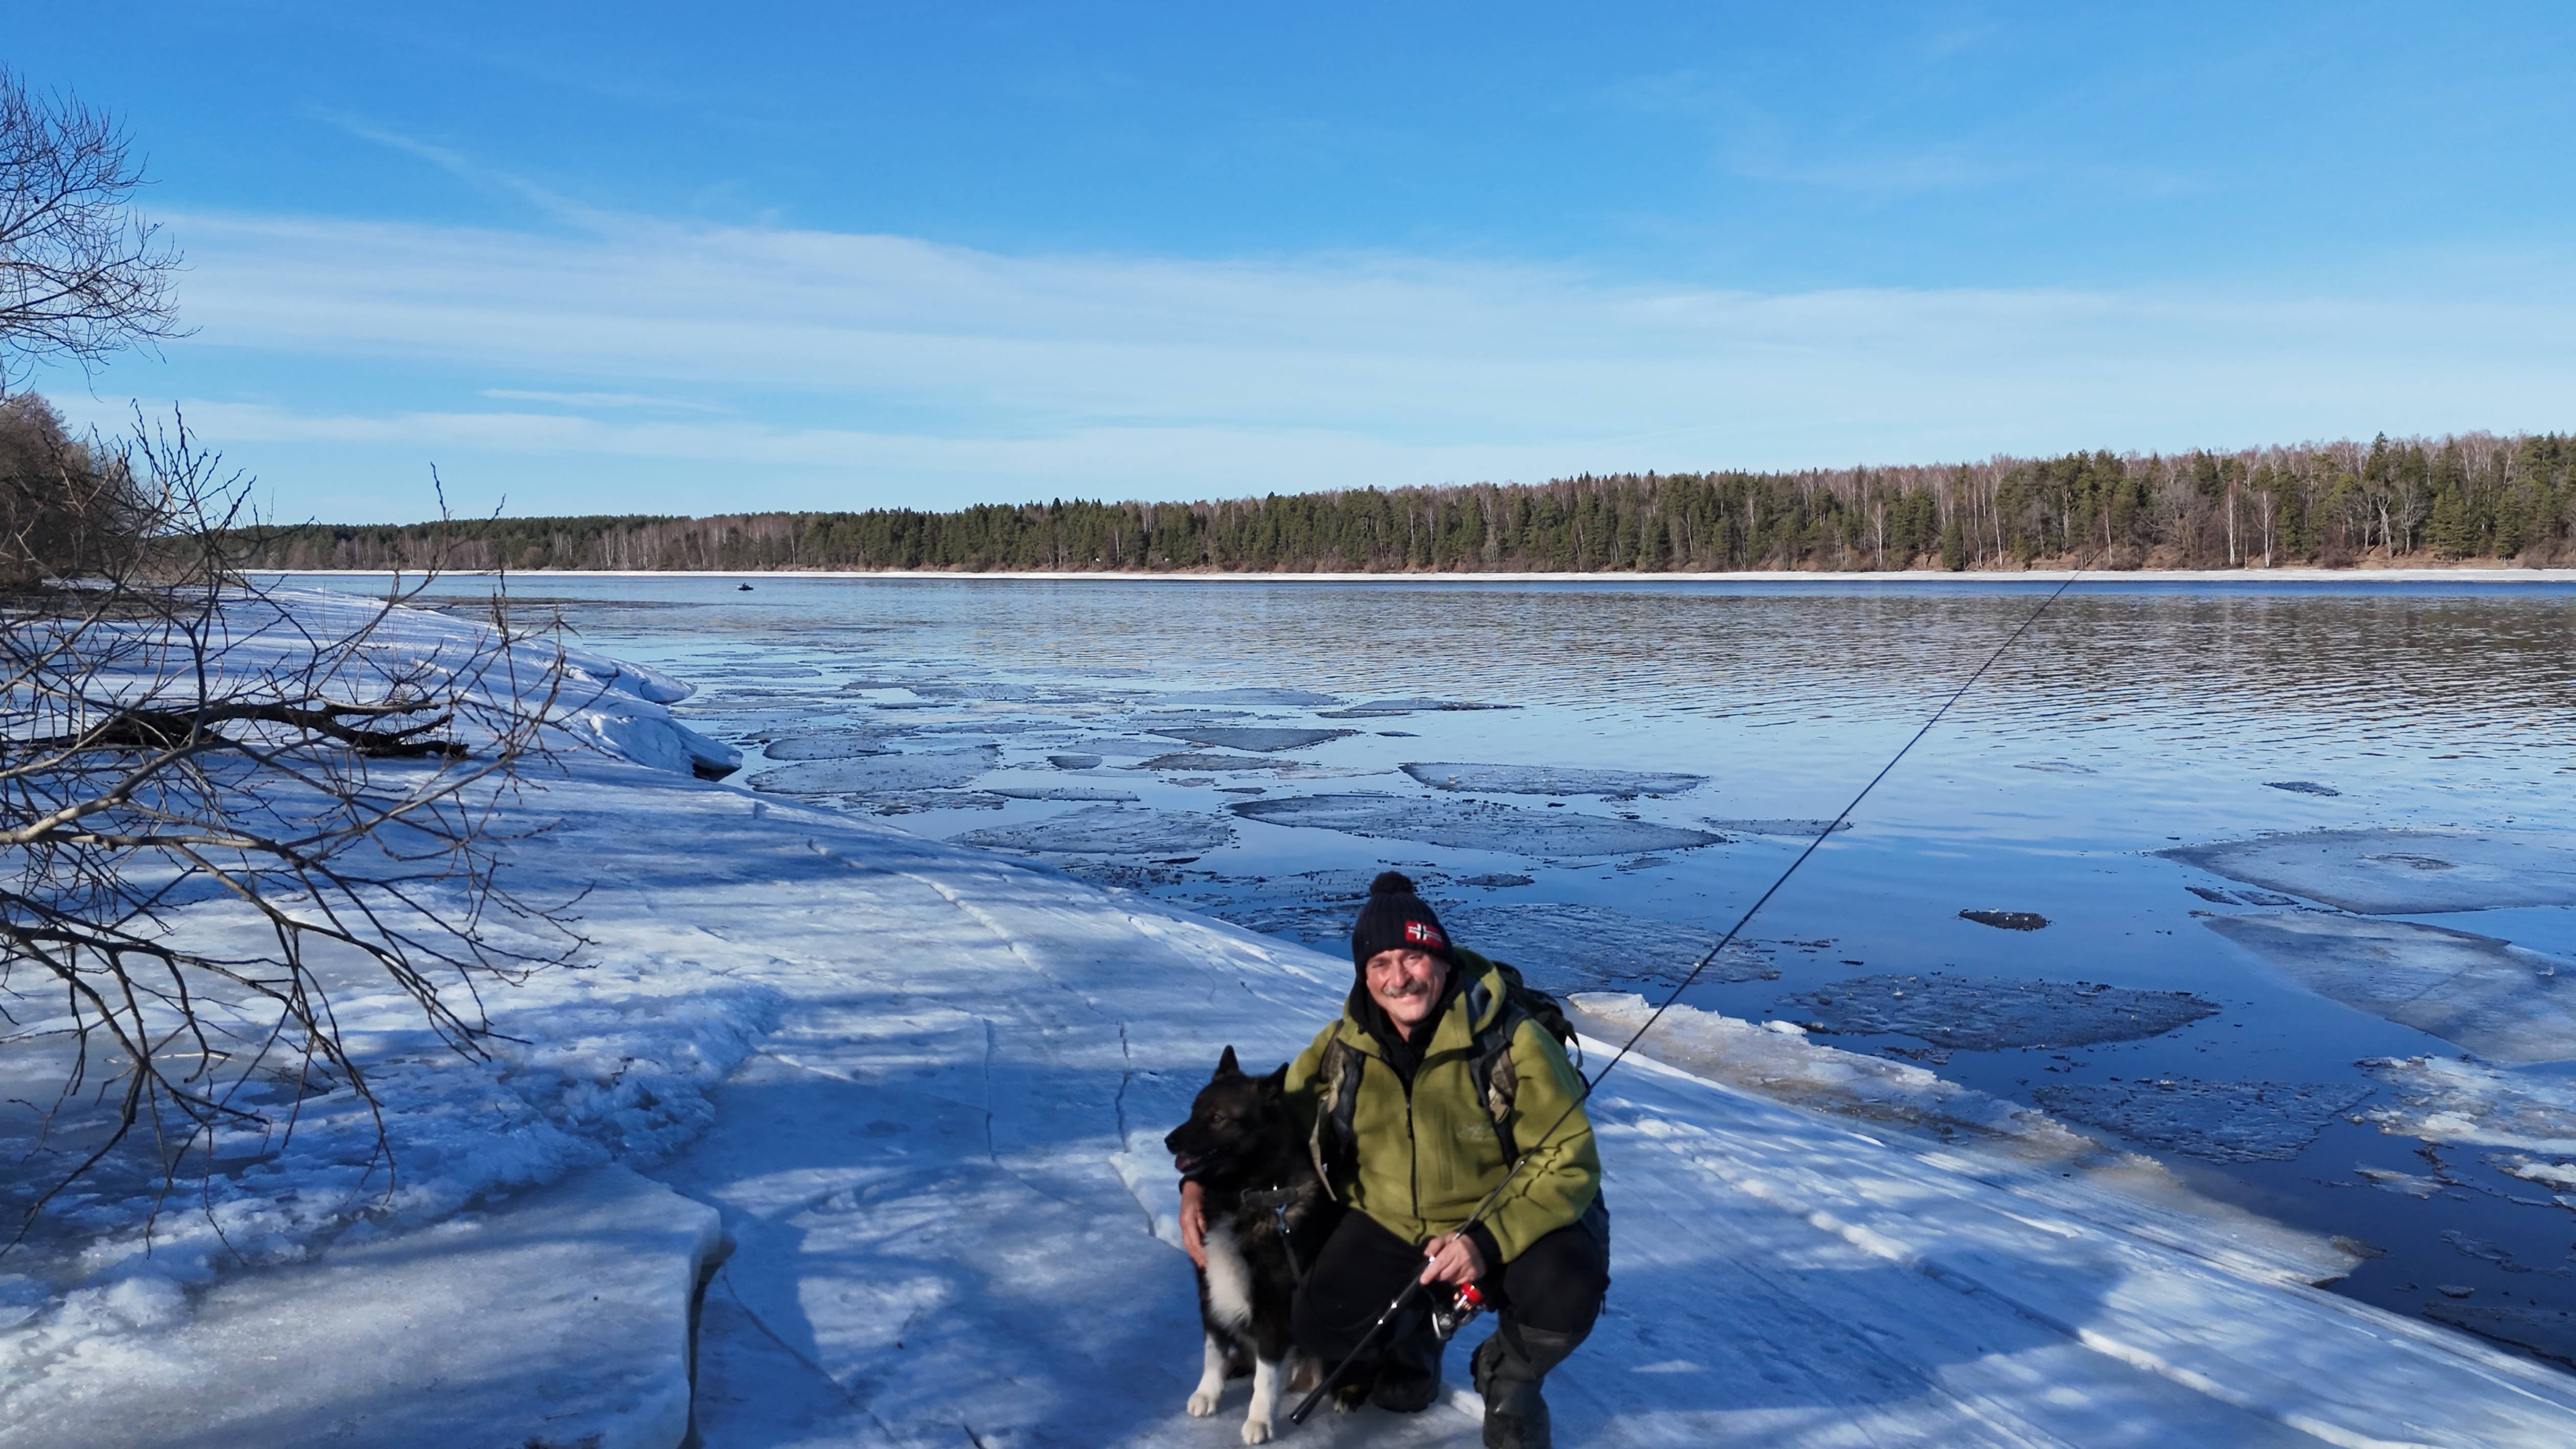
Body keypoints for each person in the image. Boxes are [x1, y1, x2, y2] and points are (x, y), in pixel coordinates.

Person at [1181, 872, 1608, 1449]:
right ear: (1364, 973)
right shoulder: (1341, 1048)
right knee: (1317, 1324)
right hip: (1393, 1221)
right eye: (1380, 963)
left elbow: (1568, 1159)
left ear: (1441, 958)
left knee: (1568, 1284)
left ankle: (1512, 1378)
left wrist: (1484, 1242)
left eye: (1413, 957)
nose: (1399, 977)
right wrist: (1196, 1187)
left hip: (1504, 1215)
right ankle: (1417, 1333)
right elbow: (1264, 1128)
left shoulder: (1513, 1041)